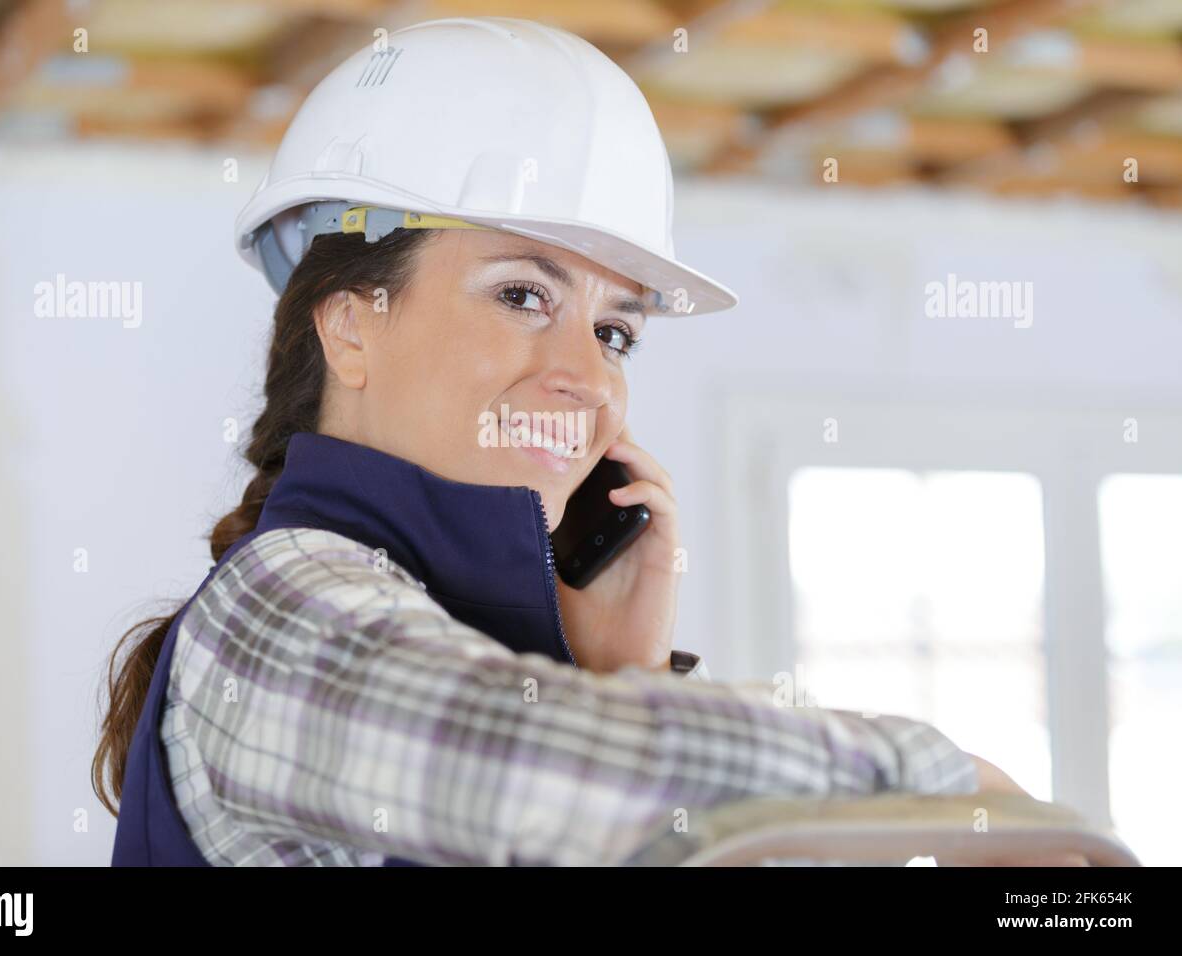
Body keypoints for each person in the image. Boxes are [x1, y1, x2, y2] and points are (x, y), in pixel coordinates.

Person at [93, 15, 1068, 867]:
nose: (592, 377)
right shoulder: (284, 604)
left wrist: (617, 679)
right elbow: (536, 769)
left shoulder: (476, 648)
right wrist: (947, 787)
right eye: (523, 293)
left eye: (615, 331)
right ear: (352, 325)